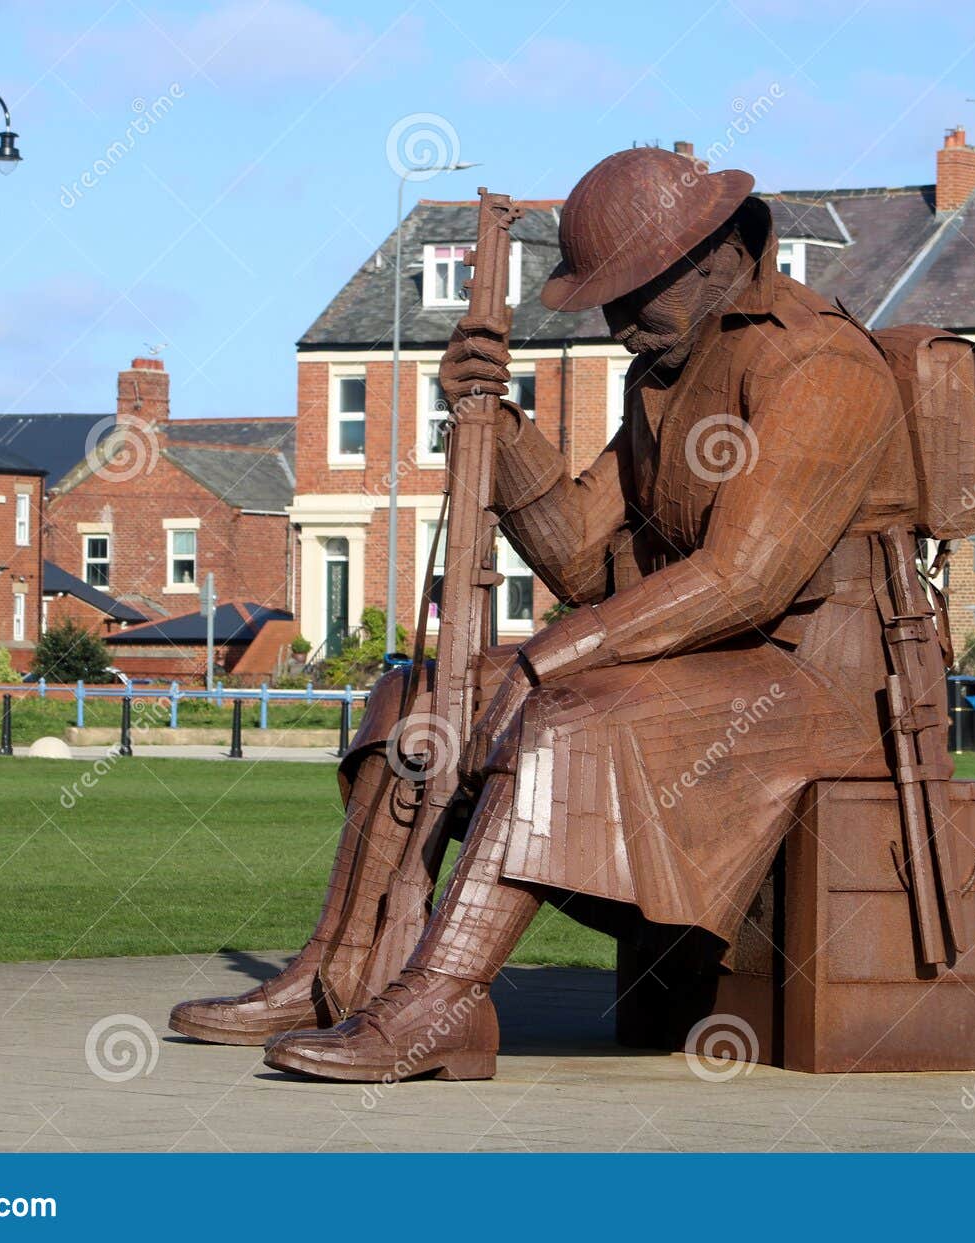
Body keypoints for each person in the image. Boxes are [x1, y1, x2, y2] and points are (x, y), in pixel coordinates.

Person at [172, 145, 919, 1082]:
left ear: (715, 255)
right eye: (608, 300)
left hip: (821, 684)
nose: (618, 324)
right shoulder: (667, 375)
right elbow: (577, 555)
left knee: (562, 717)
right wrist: (497, 420)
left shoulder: (818, 362)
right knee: (415, 699)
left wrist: (548, 659)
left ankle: (443, 1000)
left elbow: (746, 580)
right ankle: (337, 971)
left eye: (633, 295)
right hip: (705, 663)